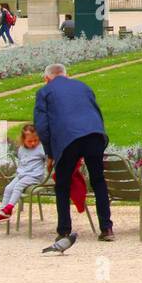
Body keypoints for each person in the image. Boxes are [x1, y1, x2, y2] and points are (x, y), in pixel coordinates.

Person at [33, 63, 114, 244]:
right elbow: (96, 113)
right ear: (66, 75)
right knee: (98, 180)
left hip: (67, 139)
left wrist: (51, 154)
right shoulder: (83, 86)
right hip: (94, 134)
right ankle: (106, 228)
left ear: (47, 79)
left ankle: (64, 230)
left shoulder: (44, 92)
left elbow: (42, 127)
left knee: (62, 184)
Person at [0, 124, 49, 223]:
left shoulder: (40, 148)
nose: (33, 143)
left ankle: (9, 208)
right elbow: (22, 162)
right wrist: (20, 173)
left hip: (35, 176)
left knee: (18, 186)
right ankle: (3, 212)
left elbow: (49, 159)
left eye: (35, 140)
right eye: (30, 141)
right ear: (23, 140)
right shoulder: (21, 149)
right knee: (8, 188)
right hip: (22, 174)